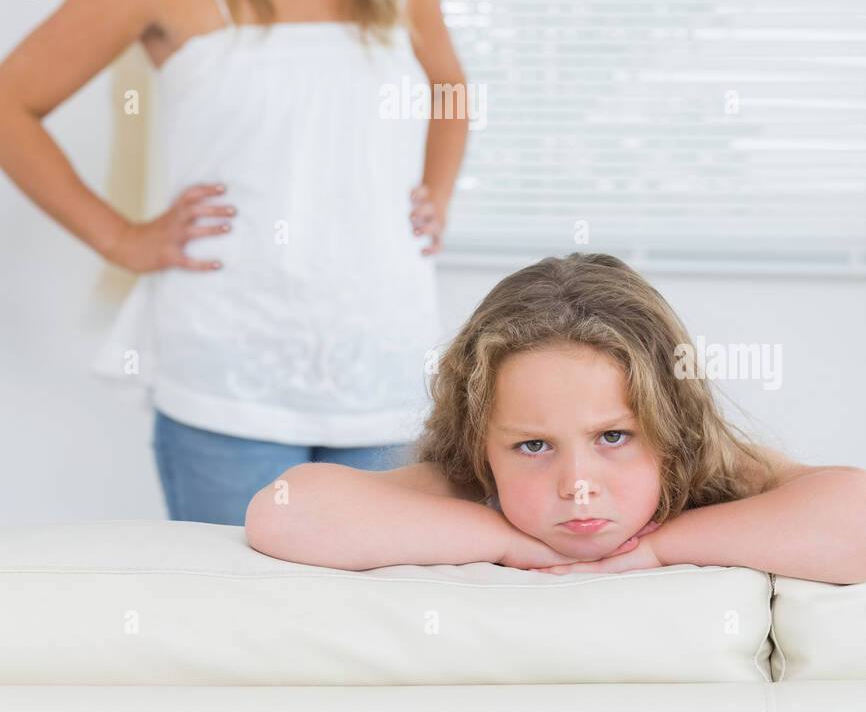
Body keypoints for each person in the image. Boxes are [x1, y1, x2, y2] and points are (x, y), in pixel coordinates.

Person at [0, 0, 470, 524]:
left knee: (386, 601)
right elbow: (12, 102)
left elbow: (451, 90)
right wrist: (123, 239)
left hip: (384, 363)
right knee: (234, 599)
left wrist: (437, 192)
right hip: (228, 368)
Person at [245, 251, 866, 585]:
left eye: (613, 436)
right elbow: (284, 512)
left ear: (674, 432)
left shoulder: (714, 473)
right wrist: (507, 541)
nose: (578, 486)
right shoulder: (472, 488)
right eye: (534, 446)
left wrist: (661, 549)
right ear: (480, 446)